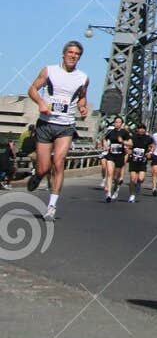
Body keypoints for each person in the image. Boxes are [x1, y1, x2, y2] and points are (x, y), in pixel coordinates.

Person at [26, 41, 90, 219]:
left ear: (79, 57)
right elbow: (32, 89)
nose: (73, 56)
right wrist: (40, 103)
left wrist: (83, 108)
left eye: (77, 54)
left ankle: (51, 207)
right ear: (63, 54)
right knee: (44, 167)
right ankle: (38, 175)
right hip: (46, 123)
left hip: (66, 125)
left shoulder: (83, 77)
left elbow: (82, 98)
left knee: (59, 162)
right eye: (70, 52)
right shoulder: (49, 70)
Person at [101, 117, 131, 202]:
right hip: (111, 155)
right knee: (110, 174)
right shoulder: (110, 131)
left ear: (122, 124)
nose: (117, 124)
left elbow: (130, 143)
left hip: (120, 156)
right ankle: (109, 194)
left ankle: (117, 187)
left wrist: (123, 142)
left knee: (115, 177)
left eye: (119, 122)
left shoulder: (124, 132)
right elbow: (104, 139)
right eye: (116, 122)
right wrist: (105, 145)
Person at [127, 124, 152, 201]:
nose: (141, 130)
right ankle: (132, 195)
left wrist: (149, 153)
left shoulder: (148, 138)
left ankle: (138, 183)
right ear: (137, 129)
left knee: (141, 178)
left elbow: (151, 147)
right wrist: (128, 150)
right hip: (133, 161)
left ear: (145, 130)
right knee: (132, 179)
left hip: (142, 161)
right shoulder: (133, 137)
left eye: (143, 129)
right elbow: (129, 146)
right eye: (140, 128)